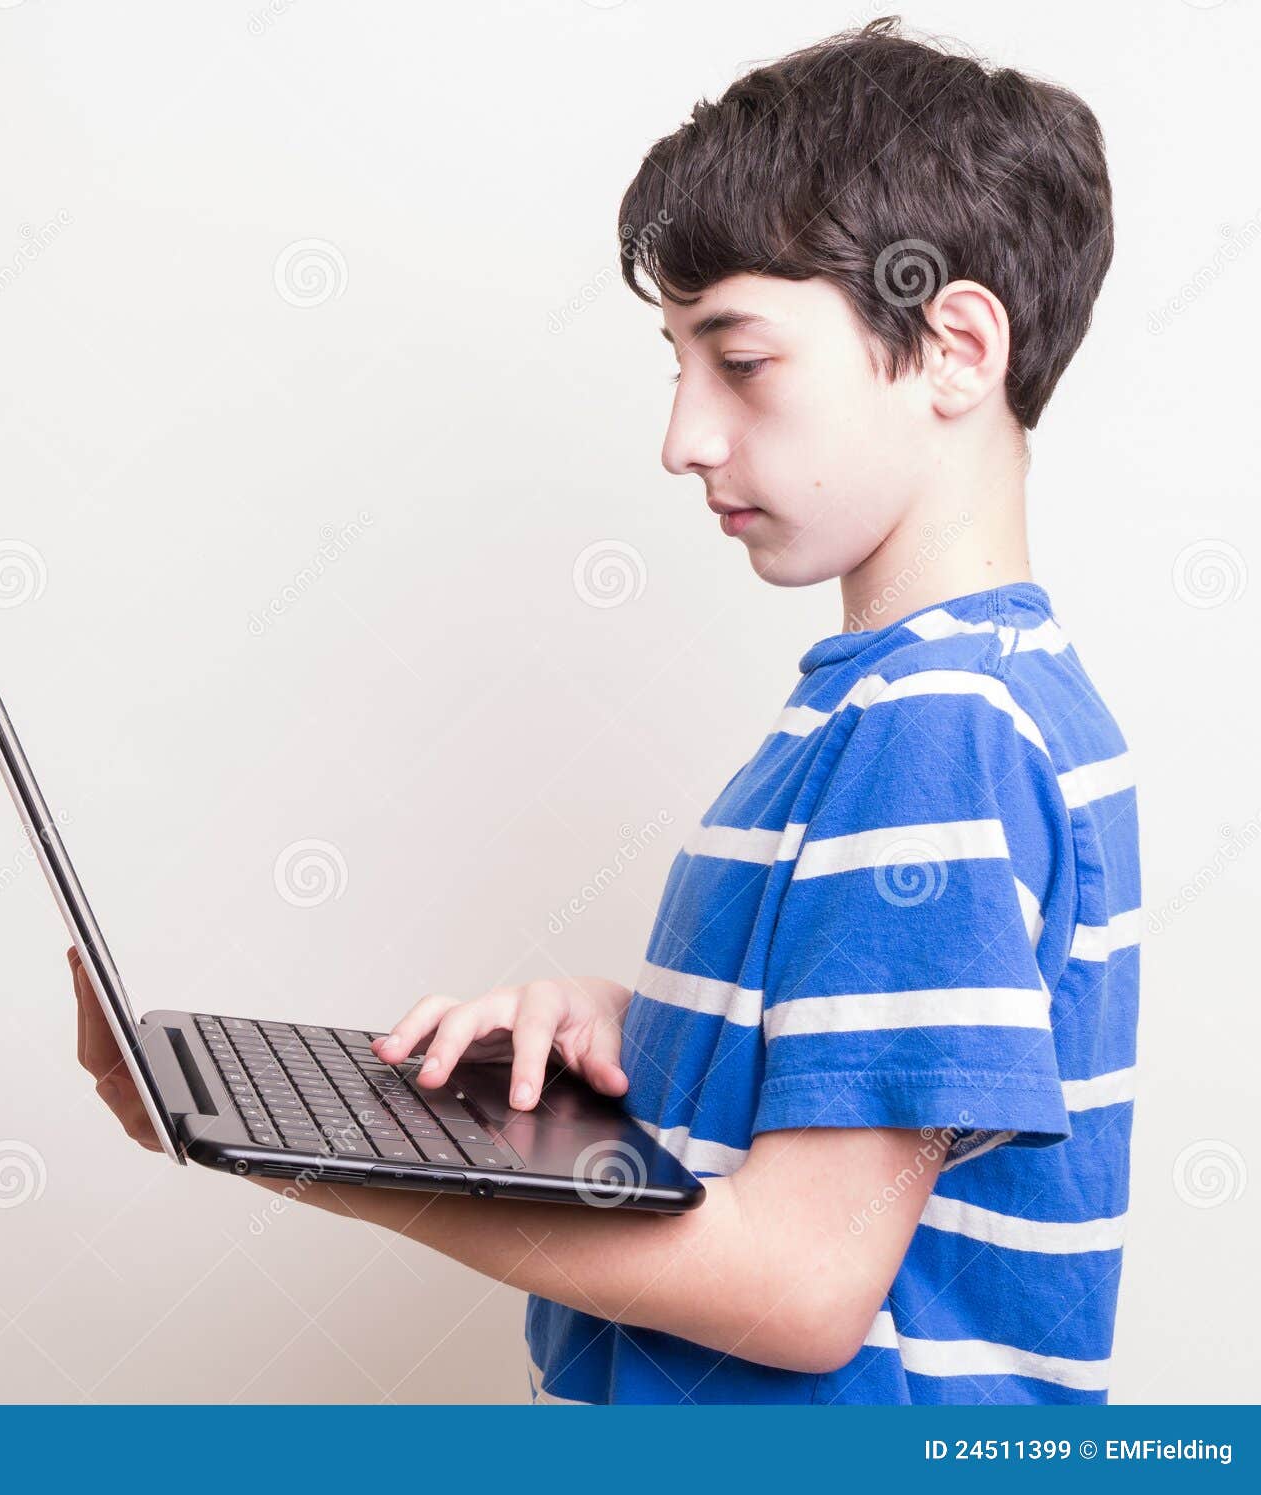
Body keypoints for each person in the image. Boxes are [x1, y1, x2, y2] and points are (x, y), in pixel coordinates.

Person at [73, 16, 1138, 1404]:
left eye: (740, 360)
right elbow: (891, 1083)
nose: (684, 437)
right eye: (675, 365)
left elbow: (805, 1286)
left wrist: (319, 1159)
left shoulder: (935, 728)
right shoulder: (969, 700)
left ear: (953, 346)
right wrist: (651, 1034)